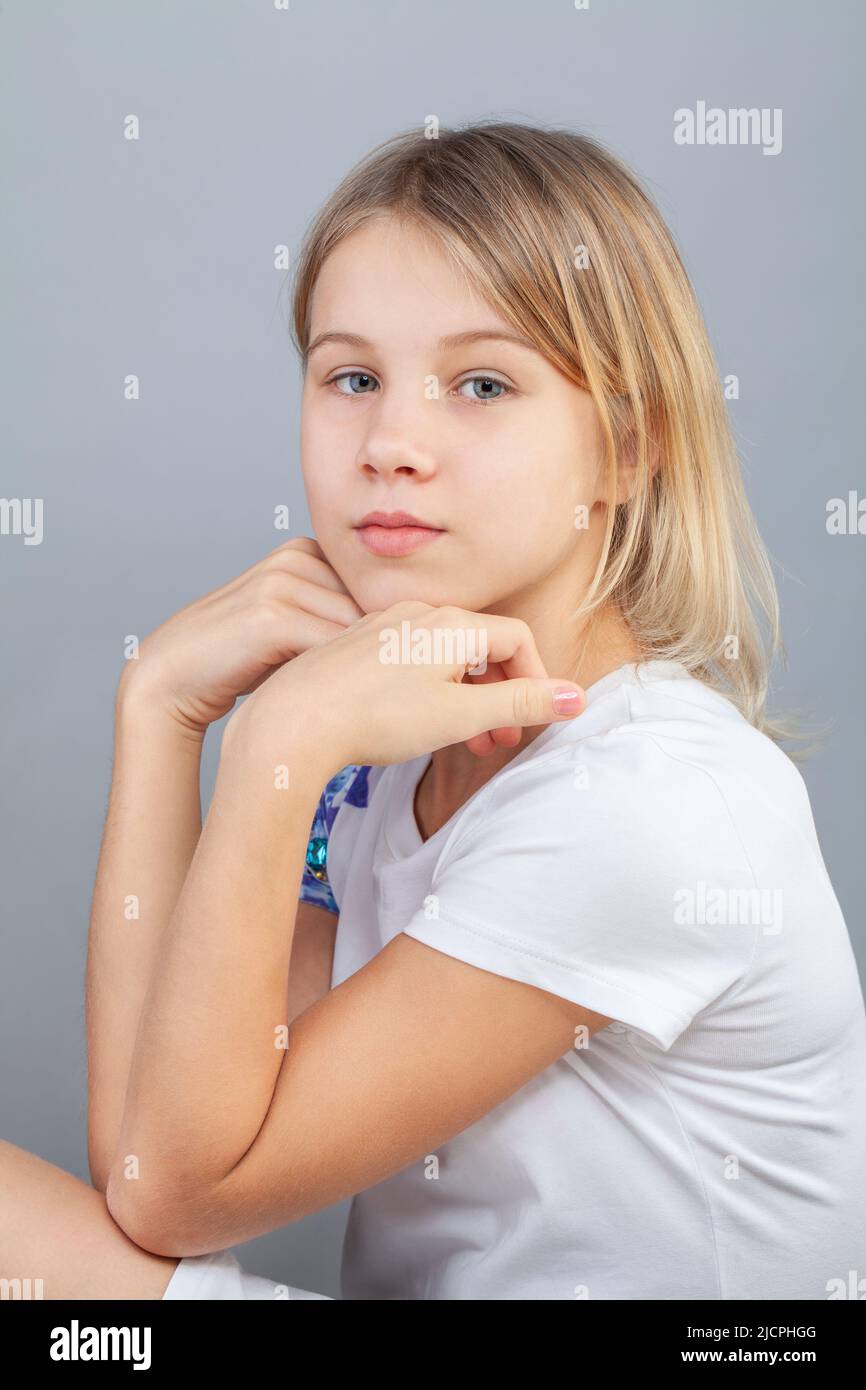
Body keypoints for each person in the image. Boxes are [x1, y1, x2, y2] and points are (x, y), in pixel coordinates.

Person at [4, 121, 864, 1302]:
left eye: (481, 384)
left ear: (626, 444)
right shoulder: (389, 756)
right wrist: (158, 711)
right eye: (350, 377)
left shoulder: (649, 801)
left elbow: (171, 1194)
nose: (391, 445)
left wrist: (278, 739)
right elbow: (153, 1146)